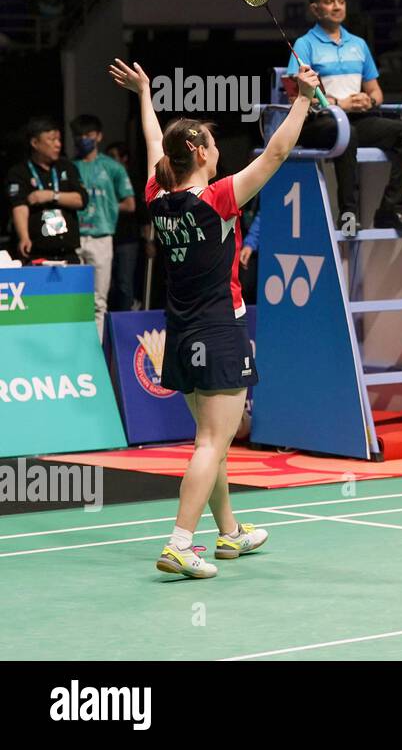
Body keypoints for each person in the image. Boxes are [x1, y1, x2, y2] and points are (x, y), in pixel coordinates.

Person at [109, 56, 321, 580]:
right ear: (201, 152)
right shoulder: (218, 198)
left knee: (213, 438)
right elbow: (277, 152)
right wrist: (303, 98)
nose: (217, 145)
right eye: (210, 138)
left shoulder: (159, 196)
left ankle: (229, 533)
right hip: (219, 329)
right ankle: (181, 543)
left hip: (179, 332)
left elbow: (156, 145)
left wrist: (143, 94)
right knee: (211, 442)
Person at [289, 0, 402, 231]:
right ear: (315, 9)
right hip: (320, 122)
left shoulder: (358, 45)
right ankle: (348, 214)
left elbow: (375, 91)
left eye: (341, 1)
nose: (337, 7)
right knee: (347, 132)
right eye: (329, 2)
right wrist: (342, 103)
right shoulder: (304, 45)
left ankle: (390, 210)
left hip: (356, 119)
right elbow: (298, 95)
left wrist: (367, 100)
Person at [69, 115, 135, 336]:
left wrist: (109, 206)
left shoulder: (112, 168)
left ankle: (95, 351)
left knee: (99, 301)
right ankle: (74, 345)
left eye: (88, 135)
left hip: (101, 236)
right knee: (74, 299)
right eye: (79, 136)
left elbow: (129, 203)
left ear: (98, 136)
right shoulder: (69, 167)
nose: (83, 139)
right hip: (74, 238)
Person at [6, 118, 87, 265]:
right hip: (37, 253)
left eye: (59, 139)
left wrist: (51, 195)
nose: (58, 144)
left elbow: (81, 199)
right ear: (35, 143)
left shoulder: (67, 167)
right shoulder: (19, 172)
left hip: (68, 253)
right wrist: (24, 237)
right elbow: (19, 206)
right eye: (51, 140)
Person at [104, 142, 144, 311]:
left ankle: (127, 319)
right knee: (108, 284)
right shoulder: (106, 179)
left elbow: (138, 210)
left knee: (124, 283)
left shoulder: (132, 180)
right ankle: (111, 320)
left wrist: (148, 240)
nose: (109, 162)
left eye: (113, 157)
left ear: (124, 159)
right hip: (107, 238)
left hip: (127, 239)